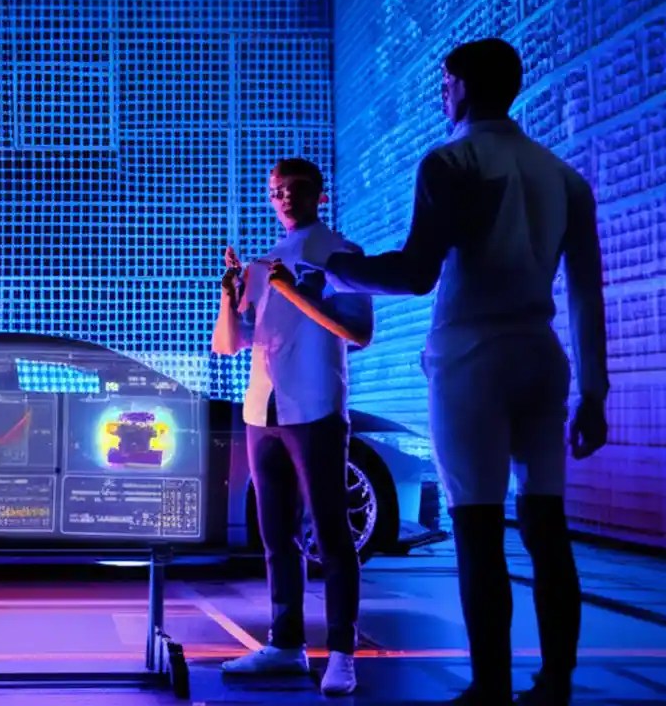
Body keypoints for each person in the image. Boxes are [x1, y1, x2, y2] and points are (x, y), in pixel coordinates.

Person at [321, 38, 608, 705]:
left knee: (478, 527)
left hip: (470, 359)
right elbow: (588, 292)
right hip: (542, 356)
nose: (440, 94)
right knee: (547, 524)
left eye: (443, 82)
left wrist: (337, 266)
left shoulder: (450, 160)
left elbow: (416, 273)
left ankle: (490, 688)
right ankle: (556, 684)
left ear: (459, 85)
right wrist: (594, 392)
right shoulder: (565, 177)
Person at [212, 158, 374, 696]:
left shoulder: (343, 253)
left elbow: (358, 331)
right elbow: (228, 345)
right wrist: (229, 291)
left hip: (317, 408)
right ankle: (286, 643)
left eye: (296, 188)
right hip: (263, 411)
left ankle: (343, 653)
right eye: (276, 190)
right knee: (276, 533)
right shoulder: (264, 263)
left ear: (319, 194)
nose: (284, 197)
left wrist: (295, 292)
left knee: (331, 532)